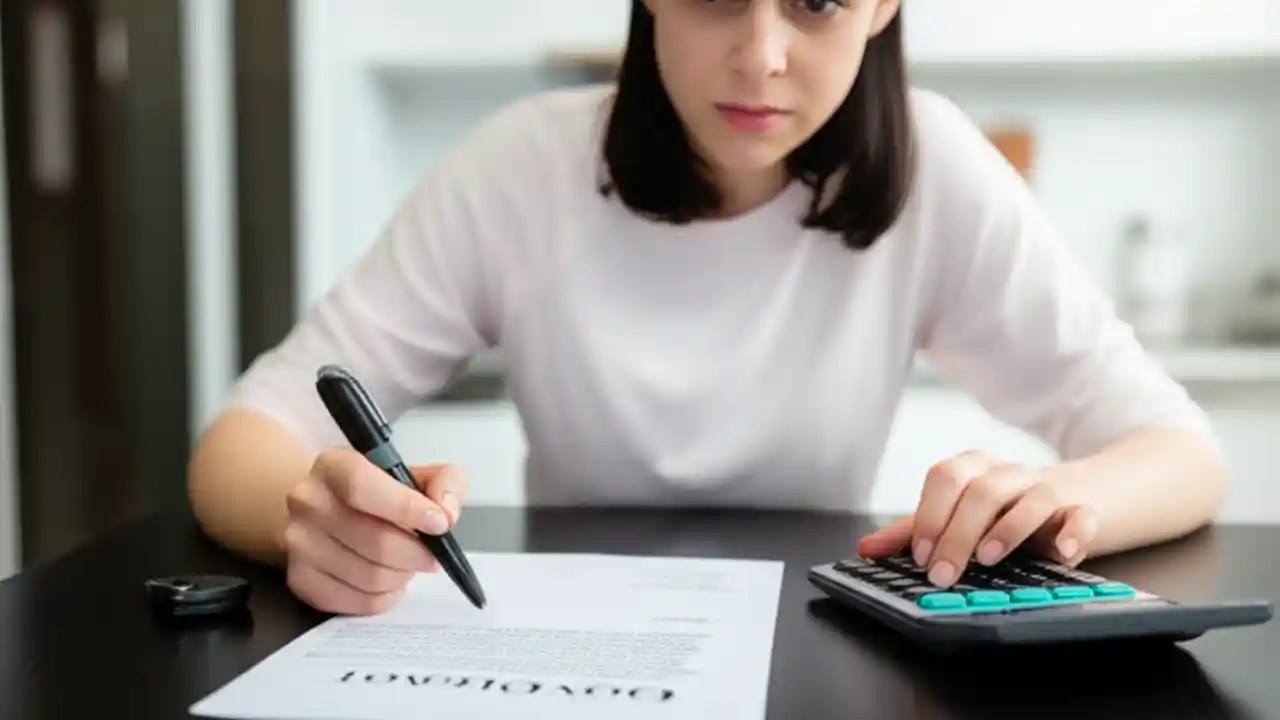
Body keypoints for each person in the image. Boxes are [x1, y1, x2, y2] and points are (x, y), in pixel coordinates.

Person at [187, 0, 1227, 616]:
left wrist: (1046, 501)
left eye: (816, 0)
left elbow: (1179, 452)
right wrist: (307, 522)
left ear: (881, 6)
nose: (761, 54)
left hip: (816, 654)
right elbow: (246, 438)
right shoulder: (519, 168)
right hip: (572, 657)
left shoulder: (935, 167)